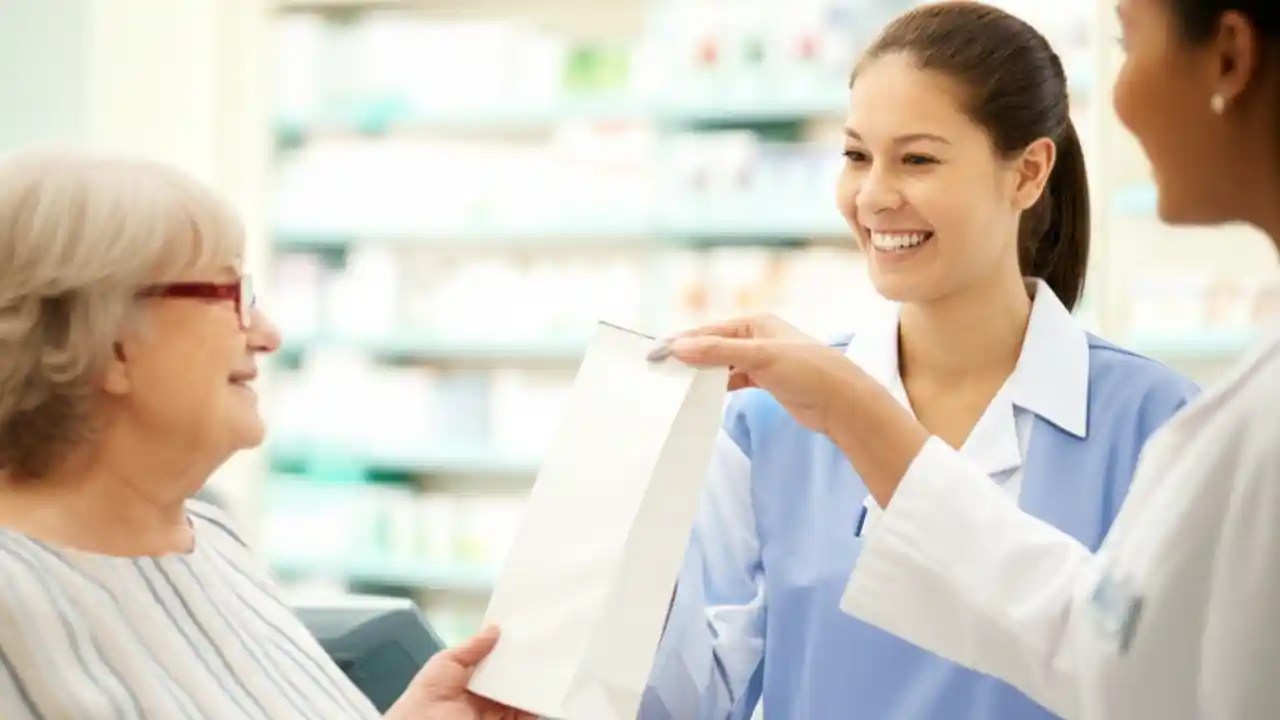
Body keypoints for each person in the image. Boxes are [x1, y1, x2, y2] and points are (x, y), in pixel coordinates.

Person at [654, 0, 1280, 718]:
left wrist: (856, 415)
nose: (874, 197)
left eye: (917, 159)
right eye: (856, 156)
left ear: (1028, 173)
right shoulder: (764, 423)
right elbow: (692, 700)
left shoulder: (1157, 421)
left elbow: (1147, 679)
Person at [0, 149, 531, 720]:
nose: (267, 335)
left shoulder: (213, 541)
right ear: (106, 338)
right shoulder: (17, 603)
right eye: (229, 297)